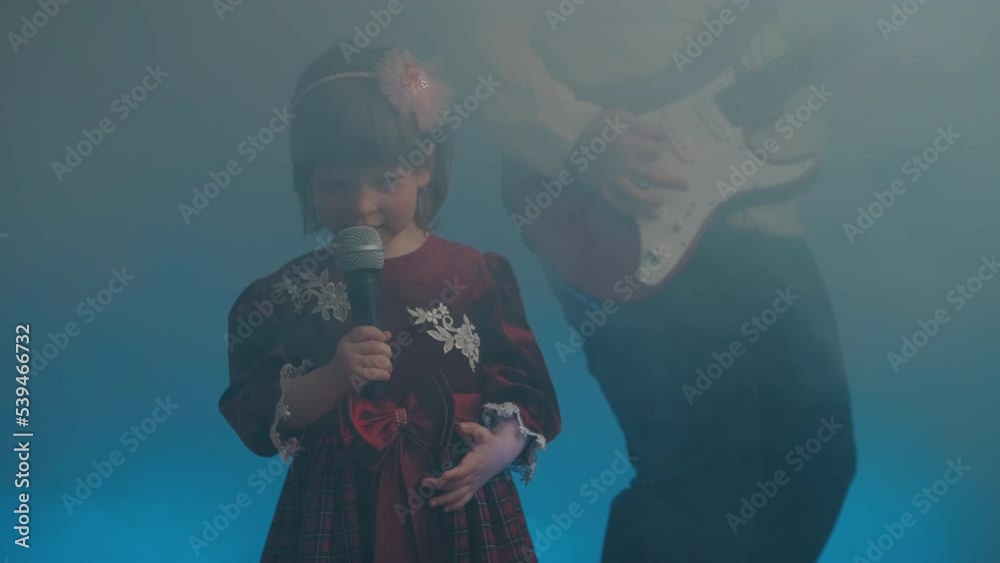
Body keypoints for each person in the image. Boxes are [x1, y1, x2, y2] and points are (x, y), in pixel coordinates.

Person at [435, 1, 858, 561]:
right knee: (697, 472)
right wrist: (575, 134)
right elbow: (473, 29)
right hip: (626, 207)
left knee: (815, 465)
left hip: (765, 212)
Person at [218, 45, 561, 563]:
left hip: (458, 499)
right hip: (337, 505)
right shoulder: (285, 293)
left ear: (423, 167)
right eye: (336, 185)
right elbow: (261, 412)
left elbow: (524, 384)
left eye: (385, 181)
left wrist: (500, 450)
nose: (361, 205)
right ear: (307, 183)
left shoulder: (473, 274)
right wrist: (333, 375)